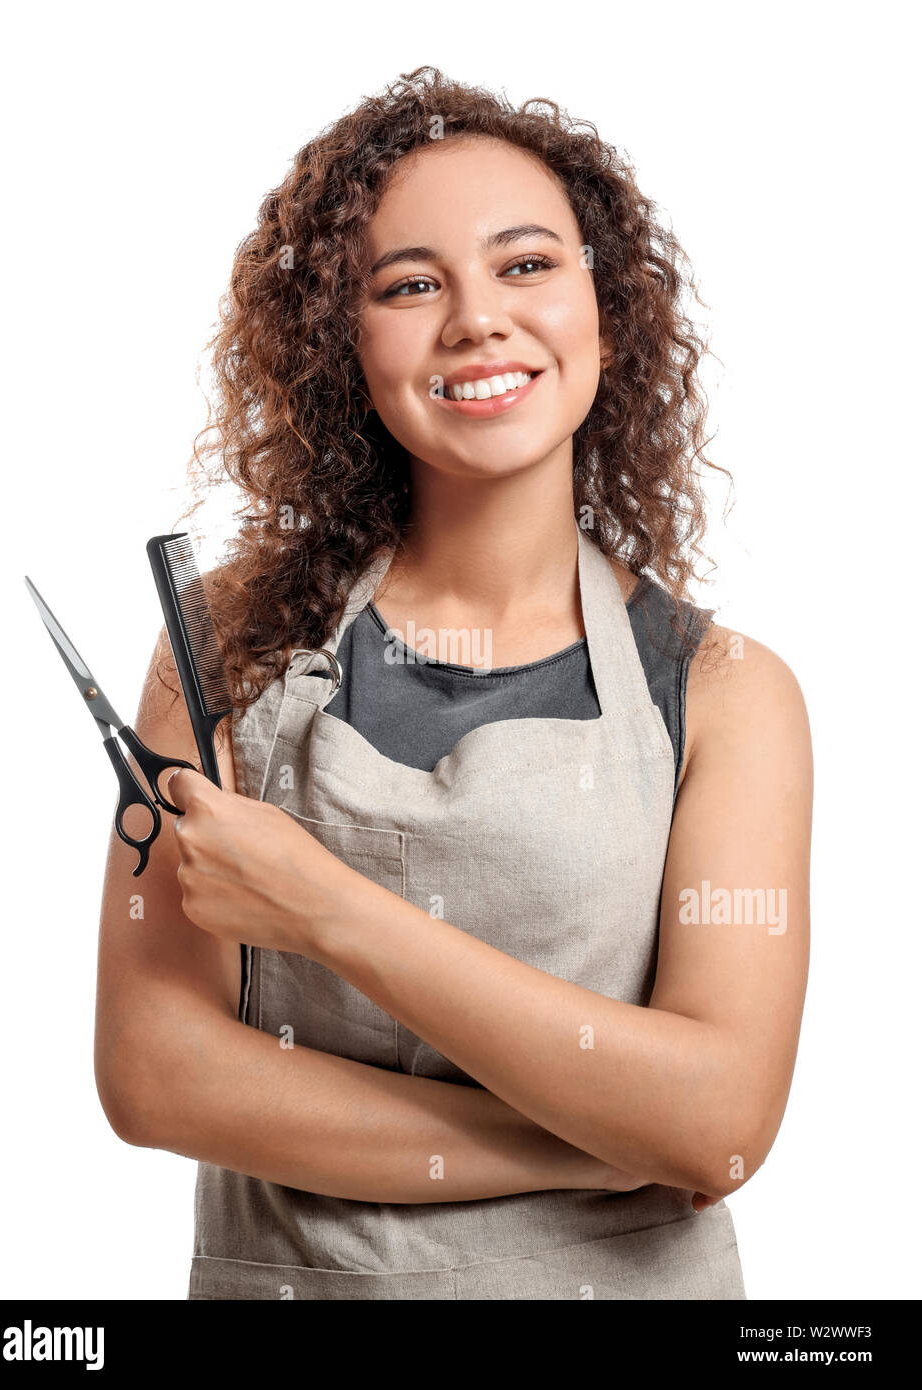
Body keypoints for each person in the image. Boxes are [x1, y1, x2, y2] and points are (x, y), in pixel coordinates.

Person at [95, 66, 812, 1301]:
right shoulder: (224, 645)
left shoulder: (729, 694)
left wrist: (326, 908)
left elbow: (722, 1113)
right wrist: (596, 1144)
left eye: (526, 264)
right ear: (340, 339)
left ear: (608, 307)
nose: (477, 317)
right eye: (410, 283)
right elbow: (159, 1073)